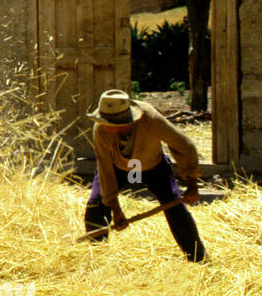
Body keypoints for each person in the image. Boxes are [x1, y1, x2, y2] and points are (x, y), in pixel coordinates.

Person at [84, 89, 207, 262]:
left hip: (152, 166)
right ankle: (97, 258)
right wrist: (116, 209)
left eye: (110, 124)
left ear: (127, 122)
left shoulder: (150, 119)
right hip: (117, 167)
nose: (104, 126)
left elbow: (184, 145)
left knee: (174, 205)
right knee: (96, 205)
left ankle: (198, 258)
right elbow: (105, 169)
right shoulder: (101, 130)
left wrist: (192, 184)